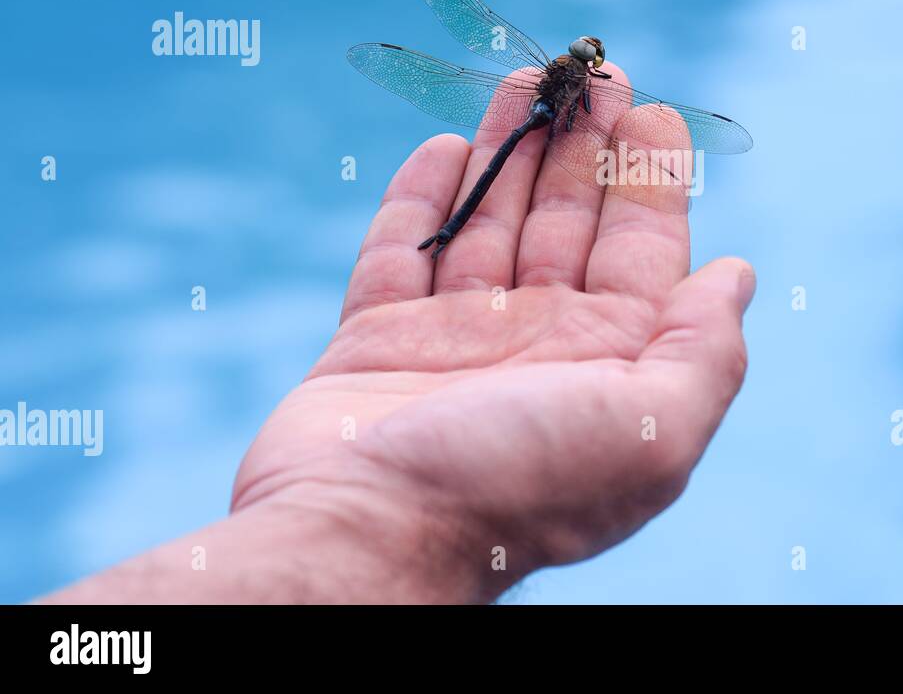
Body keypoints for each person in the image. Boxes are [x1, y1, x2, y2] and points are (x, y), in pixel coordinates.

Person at [42, 74, 755, 603]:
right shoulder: (583, 95)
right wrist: (404, 523)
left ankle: (446, 234)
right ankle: (446, 235)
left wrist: (387, 520)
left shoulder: (549, 80)